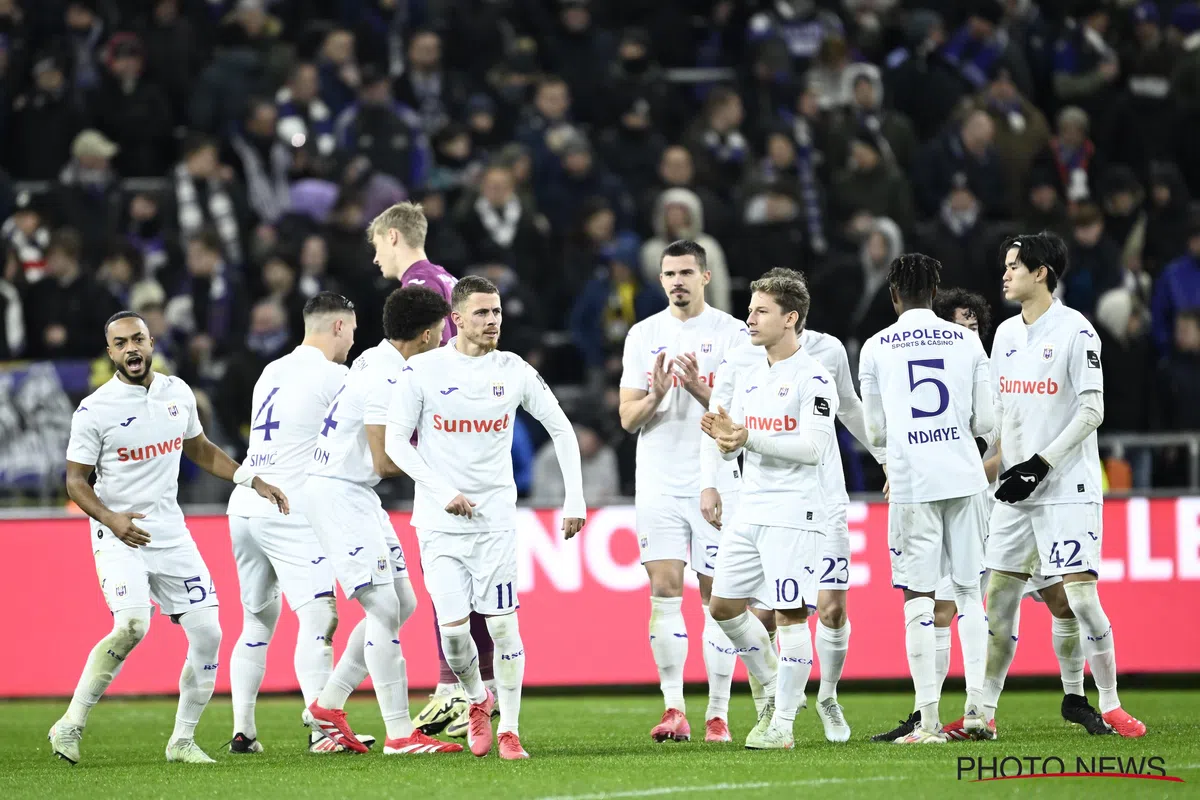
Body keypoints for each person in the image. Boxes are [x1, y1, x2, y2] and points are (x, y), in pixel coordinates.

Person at [51, 311, 289, 765]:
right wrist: (111, 518)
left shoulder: (177, 392)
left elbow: (200, 450)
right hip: (119, 533)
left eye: (137, 339)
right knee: (132, 625)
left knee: (209, 633)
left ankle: (181, 740)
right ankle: (70, 724)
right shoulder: (95, 409)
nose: (131, 349)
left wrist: (251, 480)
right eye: (121, 343)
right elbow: (76, 481)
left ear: (151, 342)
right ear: (111, 353)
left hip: (171, 533)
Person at [384, 275, 587, 760]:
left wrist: (575, 498)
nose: (493, 320)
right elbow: (395, 442)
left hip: (494, 523)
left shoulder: (514, 370)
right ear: (456, 319)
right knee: (454, 636)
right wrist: (443, 492)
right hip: (438, 525)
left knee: (502, 626)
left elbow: (561, 429)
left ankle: (510, 730)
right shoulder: (423, 370)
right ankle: (477, 699)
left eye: (496, 312)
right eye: (482, 312)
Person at [702, 267, 886, 743]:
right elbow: (740, 440)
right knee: (722, 606)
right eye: (750, 310)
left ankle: (783, 723)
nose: (749, 319)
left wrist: (747, 438)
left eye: (760, 311)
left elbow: (814, 448)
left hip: (796, 510)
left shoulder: (815, 377)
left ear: (790, 318)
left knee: (792, 614)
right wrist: (728, 443)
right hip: (751, 507)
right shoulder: (750, 373)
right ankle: (773, 685)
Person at [977, 232, 1146, 738]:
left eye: (1015, 265)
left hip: (1065, 487)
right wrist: (986, 458)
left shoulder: (1078, 331)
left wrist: (1041, 464)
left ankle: (1110, 703)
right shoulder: (1005, 334)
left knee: (1081, 600)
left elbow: (1093, 411)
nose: (1006, 273)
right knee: (999, 599)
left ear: (1041, 273)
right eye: (1005, 265)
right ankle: (983, 712)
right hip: (1015, 491)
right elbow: (1001, 410)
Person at [930, 288, 1108, 742]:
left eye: (973, 327)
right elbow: (994, 426)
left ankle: (1081, 697)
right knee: (966, 606)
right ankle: (953, 711)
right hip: (987, 504)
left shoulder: (1005, 353)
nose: (968, 335)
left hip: (1026, 492)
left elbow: (1001, 431)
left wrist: (979, 467)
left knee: (1064, 600)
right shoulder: (940, 379)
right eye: (959, 328)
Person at [301, 286, 464, 756]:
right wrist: (442, 473)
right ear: (428, 335)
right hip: (339, 493)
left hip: (356, 493)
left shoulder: (375, 358)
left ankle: (328, 704)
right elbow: (384, 459)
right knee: (383, 609)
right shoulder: (387, 379)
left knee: (402, 602)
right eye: (442, 331)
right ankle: (399, 734)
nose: (444, 339)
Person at [368, 200, 497, 738]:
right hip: (467, 445)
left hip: (441, 452)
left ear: (394, 236)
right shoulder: (448, 280)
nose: (375, 258)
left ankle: (459, 691)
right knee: (476, 579)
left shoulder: (416, 291)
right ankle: (477, 689)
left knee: (449, 577)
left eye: (376, 245)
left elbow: (430, 373)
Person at [617, 239, 753, 744]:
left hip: (714, 481)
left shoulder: (734, 334)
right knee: (665, 590)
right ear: (661, 280)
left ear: (706, 276)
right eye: (669, 274)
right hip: (658, 481)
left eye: (686, 273)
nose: (677, 281)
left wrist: (698, 389)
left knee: (718, 598)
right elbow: (627, 418)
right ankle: (674, 707)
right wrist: (656, 394)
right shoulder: (642, 334)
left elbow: (745, 416)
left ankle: (718, 713)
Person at [858, 253, 993, 744]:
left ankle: (930, 720)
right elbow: (986, 422)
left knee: (919, 598)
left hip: (913, 484)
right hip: (965, 477)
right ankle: (977, 709)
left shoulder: (875, 347)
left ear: (894, 295)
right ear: (935, 294)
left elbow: (874, 430)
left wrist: (900, 450)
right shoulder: (967, 340)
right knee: (969, 593)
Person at [225, 291, 364, 755]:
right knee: (319, 616)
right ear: (339, 327)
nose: (353, 342)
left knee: (256, 622)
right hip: (290, 508)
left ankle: (243, 730)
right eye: (352, 331)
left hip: (245, 504)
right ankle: (324, 731)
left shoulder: (271, 370)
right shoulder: (336, 376)